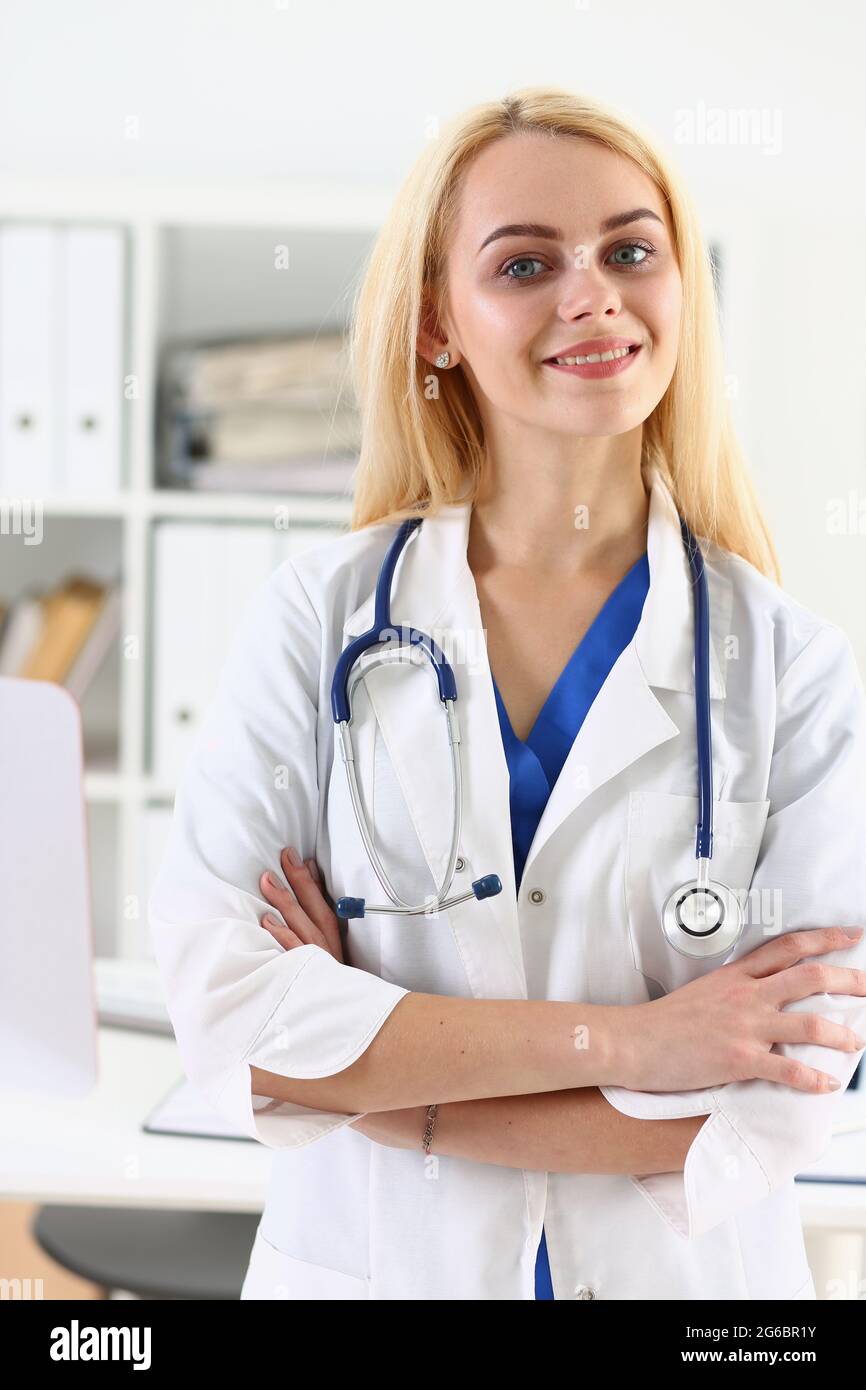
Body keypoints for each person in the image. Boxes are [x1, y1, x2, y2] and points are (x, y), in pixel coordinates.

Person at [149, 87, 866, 1301]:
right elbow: (232, 1020)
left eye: (629, 251)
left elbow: (781, 1094)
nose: (589, 294)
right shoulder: (318, 620)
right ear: (437, 323)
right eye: (525, 262)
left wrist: (380, 1090)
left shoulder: (786, 665)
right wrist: (637, 1045)